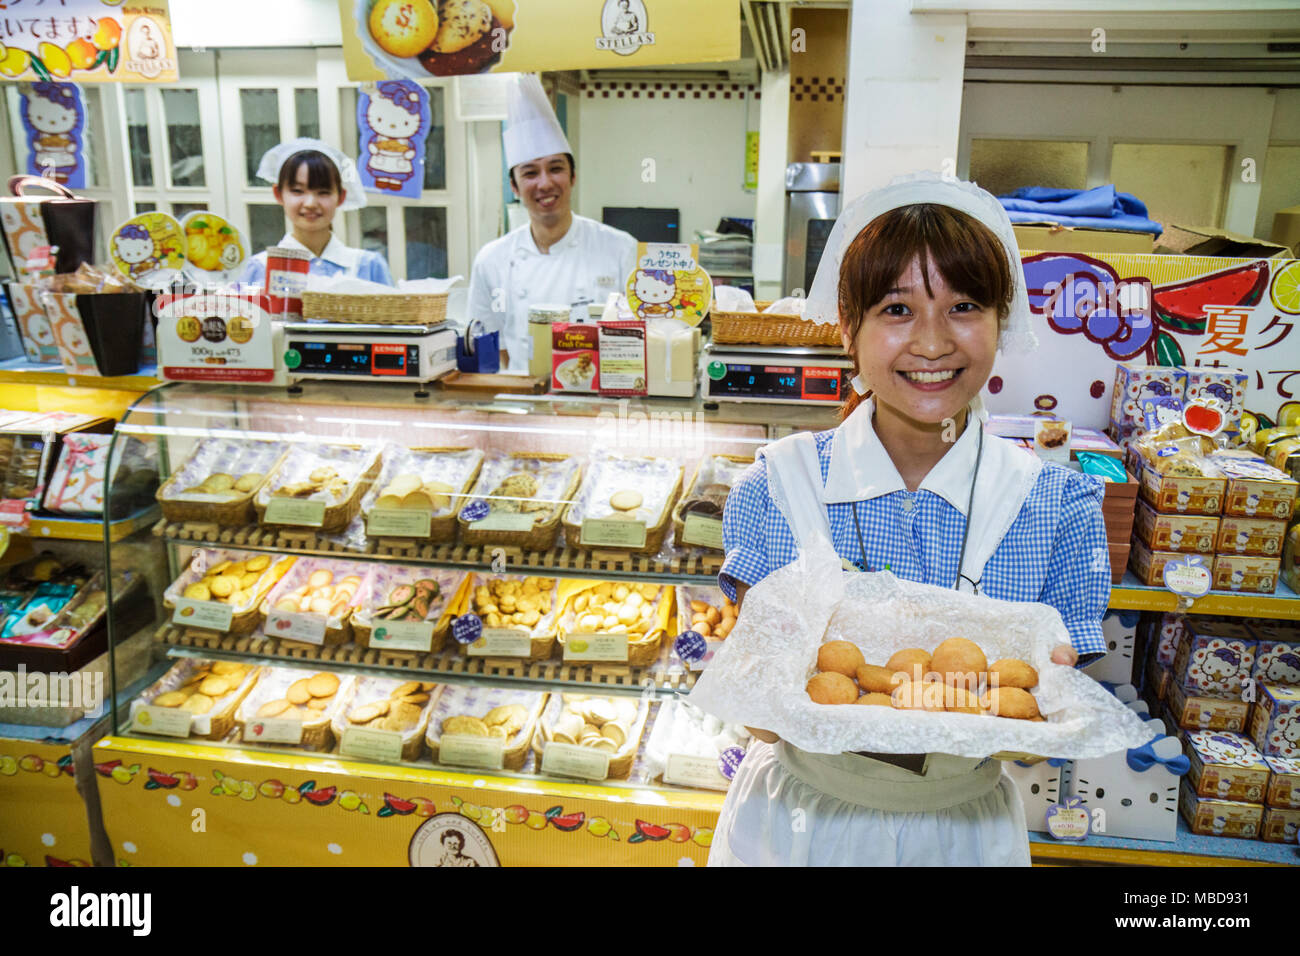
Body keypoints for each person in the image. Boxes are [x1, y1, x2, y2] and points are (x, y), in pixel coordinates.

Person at [708, 173, 1111, 867]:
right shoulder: (778, 487)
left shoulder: (1056, 507)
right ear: (849, 327)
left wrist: (1053, 697)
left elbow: (1035, 731)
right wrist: (760, 675)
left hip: (963, 834)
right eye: (897, 308)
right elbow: (763, 724)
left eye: (964, 306)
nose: (931, 342)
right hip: (795, 825)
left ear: (1001, 321)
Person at [467, 74, 636, 373]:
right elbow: (491, 346)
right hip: (521, 396)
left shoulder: (621, 249)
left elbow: (637, 340)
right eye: (530, 173)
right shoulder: (492, 260)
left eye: (555, 168)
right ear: (515, 187)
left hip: (599, 395)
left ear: (573, 177)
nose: (545, 183)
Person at [240, 138, 394, 287]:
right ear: (278, 194)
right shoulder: (258, 269)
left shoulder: (369, 268)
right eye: (297, 191)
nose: (310, 204)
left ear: (341, 197)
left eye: (323, 192)